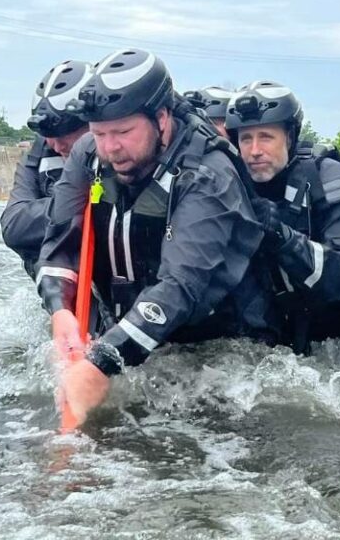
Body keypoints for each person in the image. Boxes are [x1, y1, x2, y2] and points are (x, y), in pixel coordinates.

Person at [36, 49, 278, 424]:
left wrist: (101, 362)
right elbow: (60, 238)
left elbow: (181, 284)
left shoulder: (209, 175)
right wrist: (60, 310)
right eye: (100, 133)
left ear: (161, 119)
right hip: (132, 325)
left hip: (218, 347)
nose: (110, 147)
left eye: (123, 131)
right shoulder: (90, 151)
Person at [225, 80, 340, 355]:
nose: (255, 150)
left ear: (289, 137)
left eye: (266, 137)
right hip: (291, 316)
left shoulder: (329, 179)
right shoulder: (233, 186)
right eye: (246, 138)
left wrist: (281, 236)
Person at [0, 60, 93, 279]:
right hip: (64, 274)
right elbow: (14, 227)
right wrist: (79, 204)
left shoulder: (122, 150)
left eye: (65, 135)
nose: (57, 145)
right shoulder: (38, 154)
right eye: (49, 137)